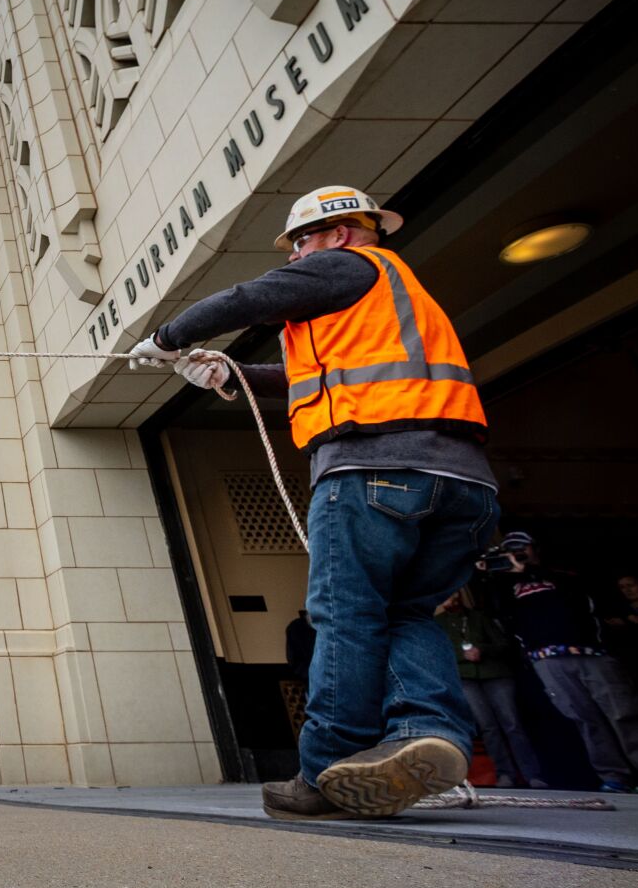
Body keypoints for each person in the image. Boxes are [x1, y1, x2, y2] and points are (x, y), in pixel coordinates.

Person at [132, 186, 496, 820]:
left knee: (345, 614)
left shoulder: (345, 266)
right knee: (407, 612)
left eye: (301, 240)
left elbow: (250, 297)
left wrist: (167, 337)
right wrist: (231, 375)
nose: (296, 256)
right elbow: (318, 379)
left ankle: (325, 768)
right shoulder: (391, 296)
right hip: (463, 481)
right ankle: (425, 735)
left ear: (340, 232)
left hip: (372, 471)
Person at [488, 532, 638, 795]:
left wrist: (533, 570)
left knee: (624, 713)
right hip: (546, 659)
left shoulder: (563, 576)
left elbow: (584, 598)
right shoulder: (508, 585)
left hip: (590, 653)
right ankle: (613, 775)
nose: (517, 552)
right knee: (584, 719)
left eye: (521, 547)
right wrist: (505, 574)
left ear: (534, 548)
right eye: (510, 548)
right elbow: (498, 611)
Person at [436, 592, 546, 788]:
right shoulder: (438, 623)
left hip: (496, 674)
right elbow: (438, 653)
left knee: (512, 724)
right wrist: (462, 656)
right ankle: (505, 774)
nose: (451, 600)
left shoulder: (479, 617)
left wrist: (482, 650)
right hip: (465, 677)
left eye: (454, 595)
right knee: (488, 727)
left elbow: (503, 644)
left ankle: (533, 774)